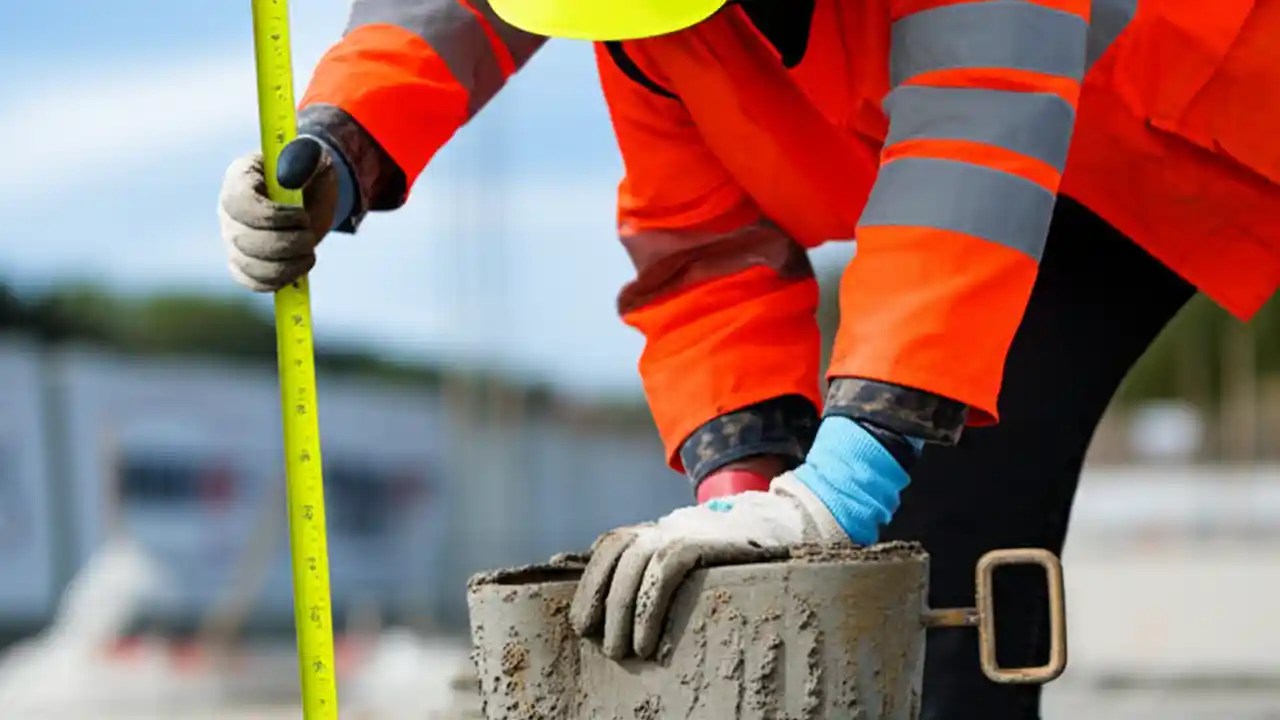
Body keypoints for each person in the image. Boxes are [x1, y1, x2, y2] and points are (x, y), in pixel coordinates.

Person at [218, 0, 1280, 716]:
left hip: (1203, 91)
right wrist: (342, 138)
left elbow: (966, 161)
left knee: (892, 502)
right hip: (1078, 167)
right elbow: (703, 260)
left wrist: (839, 483)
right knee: (926, 551)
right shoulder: (649, 32)